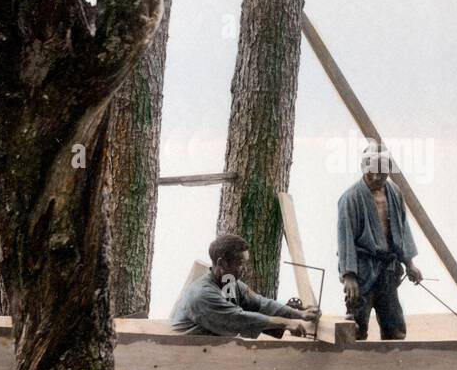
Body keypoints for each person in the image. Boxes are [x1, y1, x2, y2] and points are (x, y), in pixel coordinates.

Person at [336, 143, 422, 340]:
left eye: (382, 174)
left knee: (395, 328)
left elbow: (402, 229)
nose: (376, 178)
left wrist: (409, 263)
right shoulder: (350, 198)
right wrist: (349, 276)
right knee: (355, 328)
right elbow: (345, 239)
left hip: (387, 270)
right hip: (362, 271)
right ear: (363, 169)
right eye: (371, 173)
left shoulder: (394, 192)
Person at [172, 233, 319, 338]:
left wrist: (299, 314)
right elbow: (238, 319)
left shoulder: (228, 283)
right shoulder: (203, 294)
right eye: (240, 263)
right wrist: (286, 323)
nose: (245, 269)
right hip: (185, 353)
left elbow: (261, 303)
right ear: (221, 263)